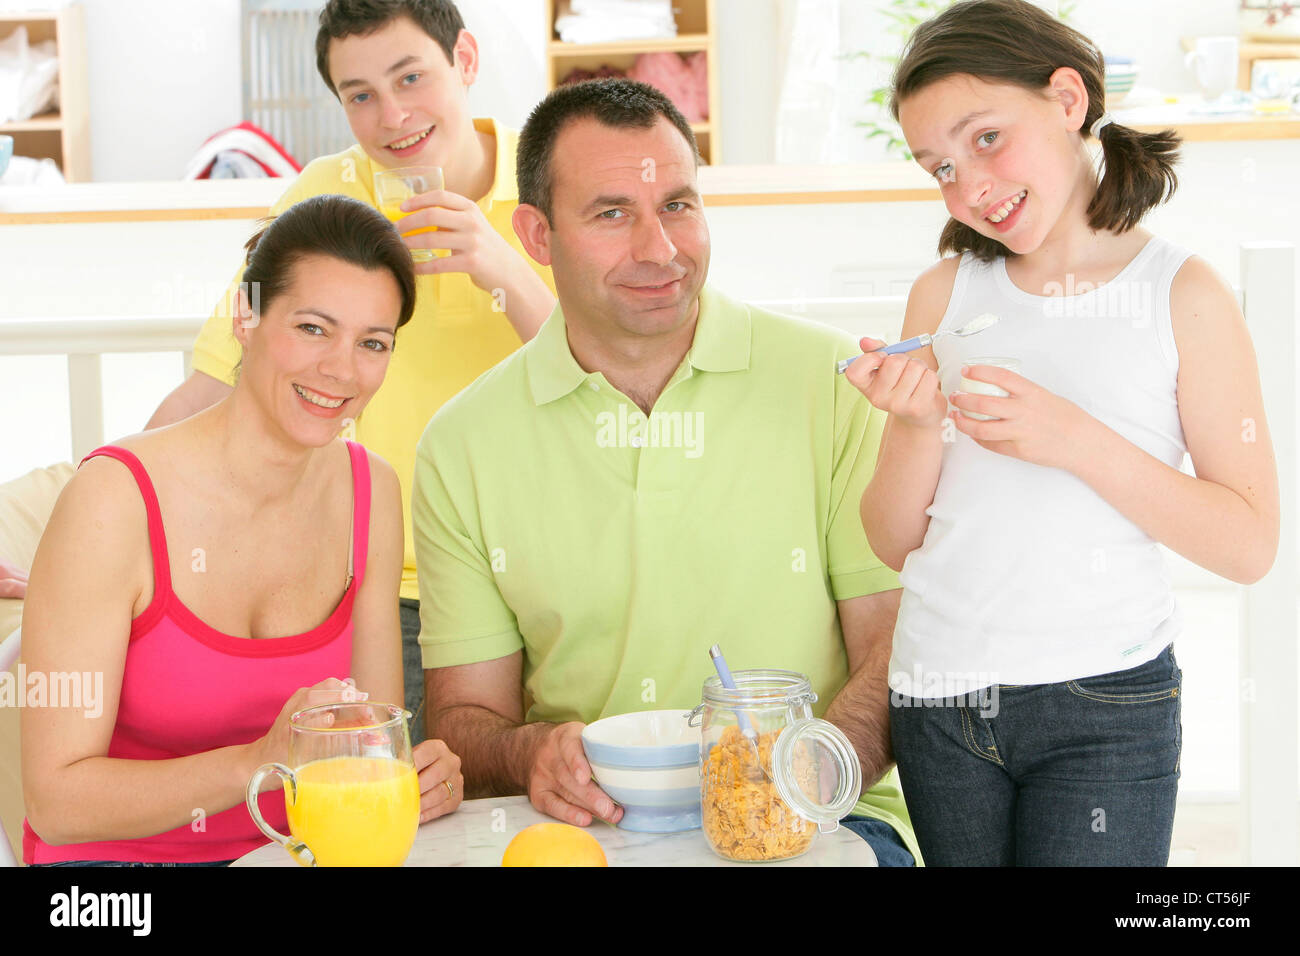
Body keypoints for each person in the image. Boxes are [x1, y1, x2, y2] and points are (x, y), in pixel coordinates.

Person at [413, 79, 921, 866]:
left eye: (678, 205)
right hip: (584, 840)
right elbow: (465, 716)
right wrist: (527, 754)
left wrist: (792, 783)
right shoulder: (461, 444)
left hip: (824, 826)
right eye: (612, 214)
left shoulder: (832, 383)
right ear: (536, 236)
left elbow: (894, 650)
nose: (660, 250)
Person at [843, 0, 1279, 866]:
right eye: (937, 167)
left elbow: (1248, 544)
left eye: (986, 139)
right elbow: (893, 542)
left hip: (1104, 705)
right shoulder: (943, 295)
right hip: (938, 698)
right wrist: (918, 423)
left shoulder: (1182, 295)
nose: (968, 186)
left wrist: (1075, 437)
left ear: (1069, 98)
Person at [144, 0, 557, 743]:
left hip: (543, 581)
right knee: (397, 797)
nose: (392, 116)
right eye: (359, 95)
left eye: (410, 77)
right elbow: (214, 386)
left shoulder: (551, 172)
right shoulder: (324, 199)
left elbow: (610, 379)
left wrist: (499, 266)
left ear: (464, 60)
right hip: (381, 594)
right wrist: (78, 526)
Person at [21, 196, 463, 865]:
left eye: (373, 343)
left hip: (304, 854)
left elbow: (361, 746)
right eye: (314, 328)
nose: (342, 370)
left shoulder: (372, 491)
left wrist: (416, 780)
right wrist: (254, 764)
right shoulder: (113, 501)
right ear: (246, 316)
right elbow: (55, 804)